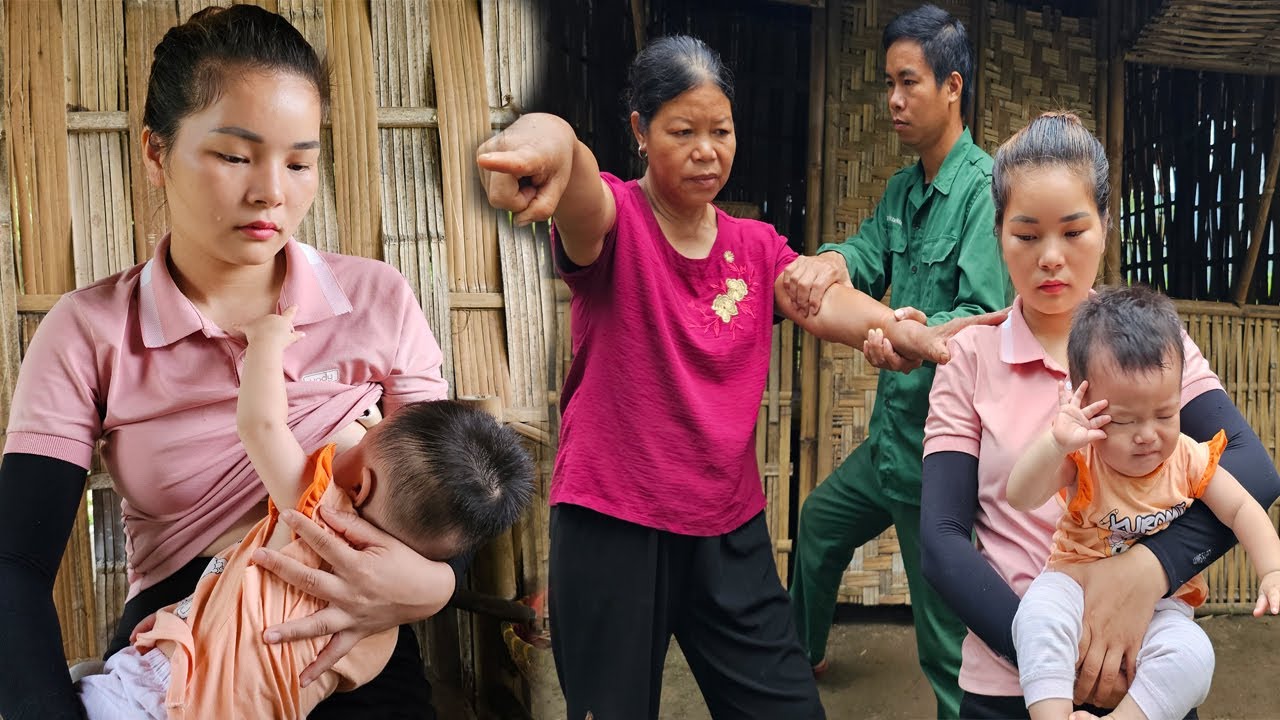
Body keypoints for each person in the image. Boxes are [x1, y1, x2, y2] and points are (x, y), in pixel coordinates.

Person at [475, 34, 1003, 720]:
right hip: (613, 522)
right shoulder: (614, 222)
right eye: (682, 131)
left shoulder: (752, 246)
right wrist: (545, 139)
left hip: (727, 527)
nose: (706, 150)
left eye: (720, 131)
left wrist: (902, 329)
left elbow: (817, 297)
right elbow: (573, 172)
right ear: (639, 130)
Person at [0, 6, 466, 719]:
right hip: (180, 655)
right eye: (235, 155)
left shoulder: (376, 298)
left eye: (300, 162)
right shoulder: (89, 329)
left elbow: (446, 491)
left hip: (352, 648)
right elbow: (16, 565)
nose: (271, 192)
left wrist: (435, 586)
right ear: (156, 154)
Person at [917, 111, 1280, 719]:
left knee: (1192, 661)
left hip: (1144, 668)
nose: (1050, 257)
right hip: (1017, 680)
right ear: (999, 232)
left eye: (1074, 231)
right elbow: (942, 540)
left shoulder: (1152, 344)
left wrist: (1150, 569)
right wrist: (1059, 663)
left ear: (1106, 228)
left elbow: (1252, 470)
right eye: (1026, 235)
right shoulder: (970, 359)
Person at [75, 307, 535, 719]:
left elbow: (261, 424)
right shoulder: (379, 633)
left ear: (359, 484)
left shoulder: (321, 510)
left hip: (154, 697)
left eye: (367, 433)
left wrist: (266, 343)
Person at [782, 5, 1010, 716]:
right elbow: (868, 256)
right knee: (818, 527)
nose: (893, 100)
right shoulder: (902, 190)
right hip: (889, 443)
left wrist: (907, 337)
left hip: (941, 455)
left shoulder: (984, 193)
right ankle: (801, 660)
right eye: (888, 83)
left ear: (952, 85)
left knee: (943, 643)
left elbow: (979, 319)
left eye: (908, 83)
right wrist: (831, 260)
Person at [1005, 286, 1280, 720]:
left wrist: (1273, 569)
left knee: (1195, 658)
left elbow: (1243, 508)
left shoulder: (1186, 456)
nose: (1148, 434)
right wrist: (1055, 443)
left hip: (1163, 604)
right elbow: (1019, 495)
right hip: (1074, 587)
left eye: (1165, 414)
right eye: (1125, 420)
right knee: (1036, 617)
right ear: (1087, 403)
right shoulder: (1083, 453)